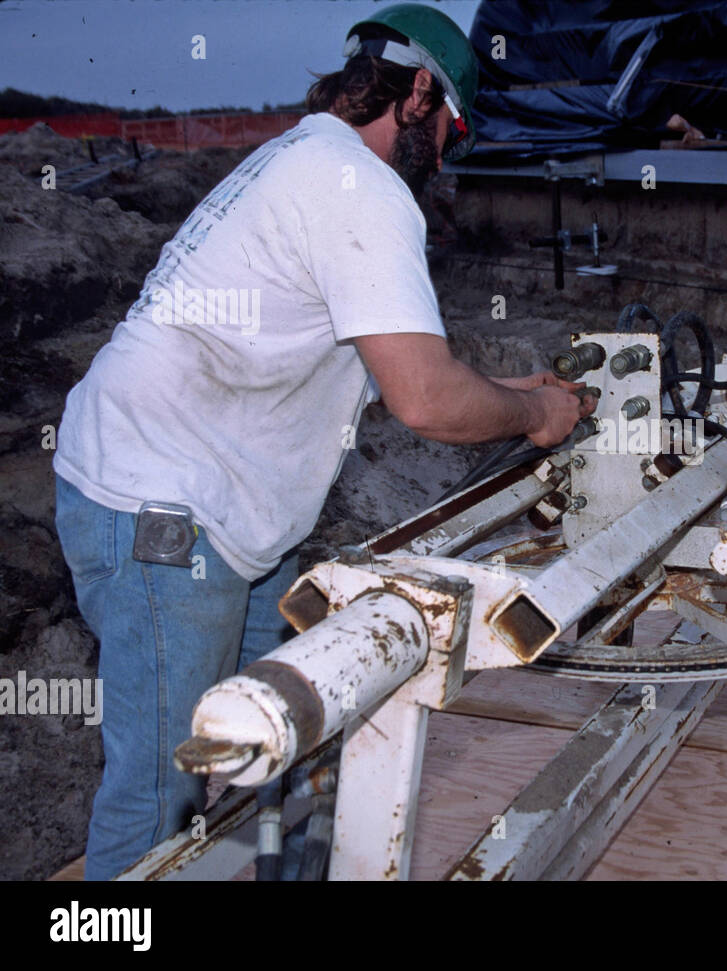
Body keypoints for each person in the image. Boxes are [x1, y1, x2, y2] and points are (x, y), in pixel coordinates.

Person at [52, 3, 588, 879]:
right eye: (452, 126)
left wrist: (510, 391)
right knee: (162, 803)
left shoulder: (302, 157)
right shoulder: (364, 190)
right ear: (420, 92)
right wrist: (535, 418)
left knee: (302, 739)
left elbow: (372, 359)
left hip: (223, 511)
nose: (448, 155)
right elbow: (422, 398)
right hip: (161, 511)